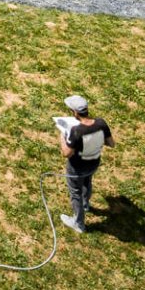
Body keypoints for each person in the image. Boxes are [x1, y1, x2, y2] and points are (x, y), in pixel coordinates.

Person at [57, 93, 113, 233]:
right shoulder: (101, 123)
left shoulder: (76, 131)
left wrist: (62, 136)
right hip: (93, 163)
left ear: (75, 113)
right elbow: (111, 143)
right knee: (87, 182)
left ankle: (79, 223)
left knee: (75, 192)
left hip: (77, 168)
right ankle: (86, 204)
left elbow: (66, 153)